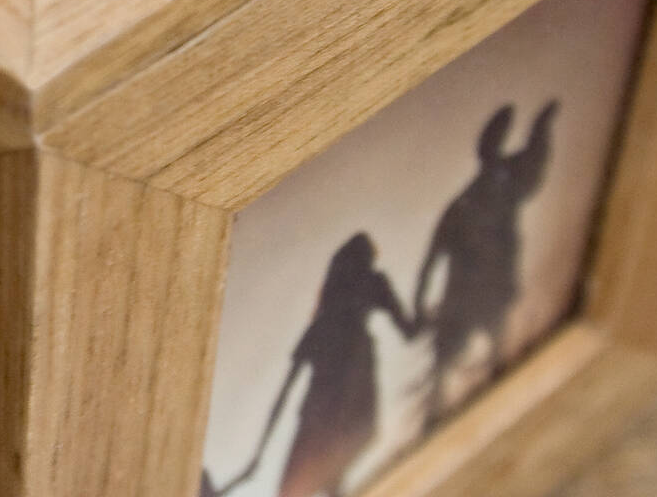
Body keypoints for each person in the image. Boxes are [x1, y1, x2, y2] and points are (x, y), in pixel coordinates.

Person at [208, 232, 416, 497]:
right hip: (339, 425)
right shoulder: (370, 289)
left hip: (319, 427)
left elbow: (283, 394)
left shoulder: (319, 328)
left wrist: (259, 453)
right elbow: (409, 330)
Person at [413, 100, 560, 428]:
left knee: (495, 357)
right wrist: (420, 305)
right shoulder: (462, 208)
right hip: (461, 302)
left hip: (491, 296)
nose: (502, 177)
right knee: (445, 367)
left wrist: (542, 128)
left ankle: (494, 412)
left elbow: (535, 164)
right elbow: (430, 261)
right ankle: (433, 421)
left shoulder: (503, 196)